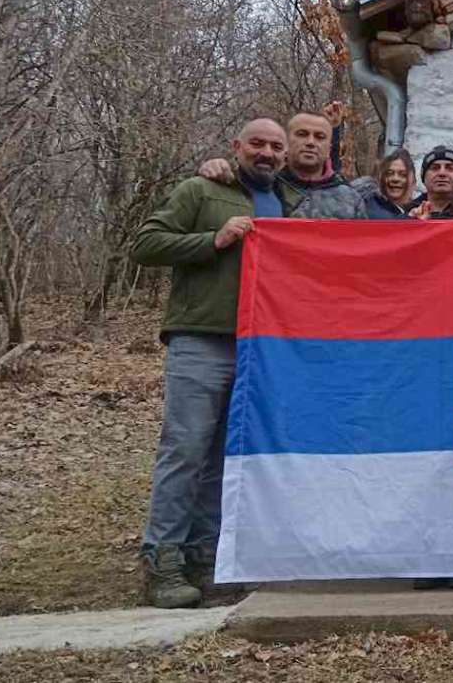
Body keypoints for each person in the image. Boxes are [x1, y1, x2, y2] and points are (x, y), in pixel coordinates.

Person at [131, 119, 288, 609]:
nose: (266, 153)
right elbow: (146, 245)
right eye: (257, 144)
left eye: (274, 147)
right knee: (186, 449)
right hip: (202, 339)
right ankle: (163, 559)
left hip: (259, 346)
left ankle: (206, 558)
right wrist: (212, 240)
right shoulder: (202, 188)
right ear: (236, 146)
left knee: (225, 455)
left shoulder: (286, 201)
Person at [276, 113, 369, 219]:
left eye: (320, 137)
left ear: (329, 150)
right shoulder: (265, 189)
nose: (310, 142)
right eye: (302, 134)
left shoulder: (350, 199)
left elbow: (362, 236)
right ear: (286, 142)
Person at [354, 148, 416, 219]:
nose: (395, 179)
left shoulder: (414, 210)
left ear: (413, 182)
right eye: (389, 173)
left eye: (403, 174)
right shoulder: (370, 207)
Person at [412, 145, 453, 218]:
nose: (442, 173)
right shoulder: (406, 216)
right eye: (434, 168)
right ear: (423, 176)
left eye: (450, 168)